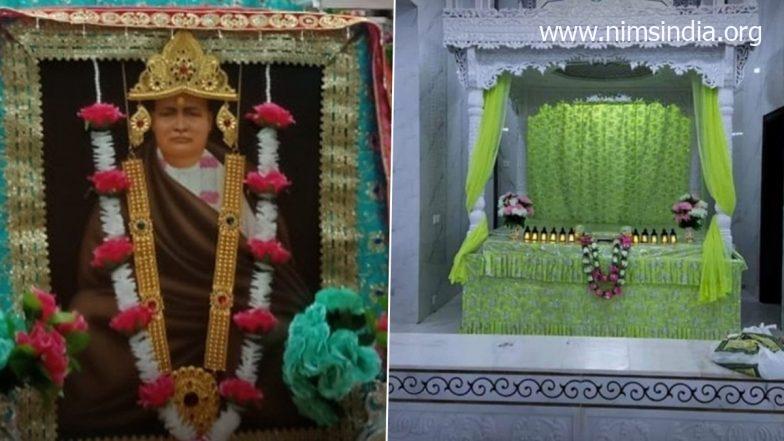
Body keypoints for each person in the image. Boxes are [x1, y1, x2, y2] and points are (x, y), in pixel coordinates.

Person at [59, 33, 313, 438]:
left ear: (213, 120)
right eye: (167, 113)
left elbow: (275, 275)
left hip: (231, 315)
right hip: (149, 317)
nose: (179, 125)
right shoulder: (123, 184)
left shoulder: (244, 182)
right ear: (147, 121)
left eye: (192, 112)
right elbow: (97, 275)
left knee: (291, 328)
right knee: (84, 318)